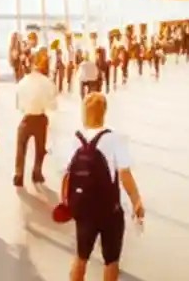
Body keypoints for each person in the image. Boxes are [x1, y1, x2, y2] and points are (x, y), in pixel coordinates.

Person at [62, 92, 145, 281]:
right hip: (109, 210)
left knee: (81, 257)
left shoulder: (75, 139)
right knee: (111, 261)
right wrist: (136, 200)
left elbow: (68, 173)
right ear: (104, 112)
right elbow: (124, 174)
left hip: (83, 208)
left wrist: (67, 203)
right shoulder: (115, 138)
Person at [14, 50, 57, 187]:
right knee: (40, 148)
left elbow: (18, 105)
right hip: (40, 118)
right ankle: (36, 173)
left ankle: (18, 175)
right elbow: (53, 105)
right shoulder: (47, 82)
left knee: (21, 148)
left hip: (26, 118)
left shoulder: (22, 82)